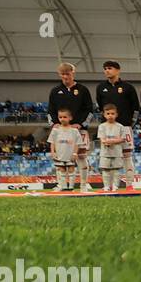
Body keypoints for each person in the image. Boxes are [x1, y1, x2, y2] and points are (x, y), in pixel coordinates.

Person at [49, 62, 94, 191]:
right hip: (61, 131)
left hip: (79, 129)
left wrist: (81, 124)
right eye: (63, 74)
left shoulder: (82, 90)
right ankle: (60, 184)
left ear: (73, 73)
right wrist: (54, 124)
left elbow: (89, 110)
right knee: (60, 157)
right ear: (59, 75)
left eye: (67, 74)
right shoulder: (55, 91)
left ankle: (84, 184)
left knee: (81, 155)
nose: (65, 77)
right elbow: (50, 110)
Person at [96, 104, 131, 193]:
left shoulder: (120, 126)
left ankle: (115, 186)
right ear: (104, 115)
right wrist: (111, 141)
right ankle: (106, 186)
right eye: (108, 113)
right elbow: (102, 139)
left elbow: (122, 139)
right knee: (105, 169)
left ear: (116, 114)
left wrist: (111, 141)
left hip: (117, 152)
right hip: (105, 152)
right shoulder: (102, 126)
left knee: (116, 169)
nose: (110, 115)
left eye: (112, 113)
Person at [48, 108, 81, 191]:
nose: (62, 119)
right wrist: (53, 152)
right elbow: (52, 142)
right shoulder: (55, 130)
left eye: (65, 117)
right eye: (60, 117)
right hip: (60, 154)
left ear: (70, 118)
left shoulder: (74, 131)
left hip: (70, 155)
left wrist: (75, 153)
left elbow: (77, 143)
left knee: (71, 169)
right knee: (61, 170)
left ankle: (71, 187)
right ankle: (64, 187)